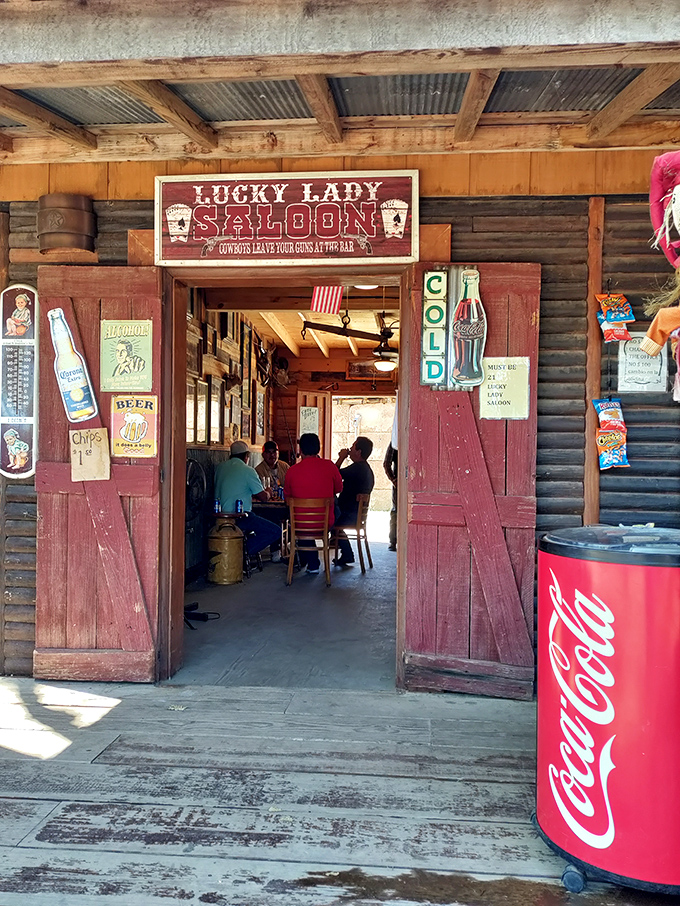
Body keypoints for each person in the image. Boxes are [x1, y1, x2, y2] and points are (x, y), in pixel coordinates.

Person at [283, 433, 342, 575]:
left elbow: (287, 499)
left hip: (300, 524)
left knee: (300, 521)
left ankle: (312, 563)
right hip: (325, 522)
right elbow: (339, 489)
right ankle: (315, 561)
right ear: (318, 448)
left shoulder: (292, 471)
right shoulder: (330, 466)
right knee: (337, 510)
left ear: (300, 450)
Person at [214, 440, 281, 560]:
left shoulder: (220, 468)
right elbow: (264, 497)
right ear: (247, 456)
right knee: (275, 531)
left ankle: (237, 550)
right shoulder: (248, 470)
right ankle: (239, 553)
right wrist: (269, 491)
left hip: (219, 517)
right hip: (240, 517)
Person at [333, 436, 375, 567]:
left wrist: (341, 457)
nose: (350, 449)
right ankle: (346, 553)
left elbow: (334, 475)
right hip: (356, 515)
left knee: (328, 521)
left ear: (359, 452)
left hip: (349, 515)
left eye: (353, 447)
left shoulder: (357, 468)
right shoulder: (366, 469)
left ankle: (346, 553)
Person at [383, 441, 398, 552]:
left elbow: (386, 463)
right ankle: (393, 540)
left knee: (396, 512)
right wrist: (394, 480)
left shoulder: (396, 440)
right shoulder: (396, 441)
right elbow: (386, 463)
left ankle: (393, 541)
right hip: (399, 483)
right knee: (396, 512)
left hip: (399, 482)